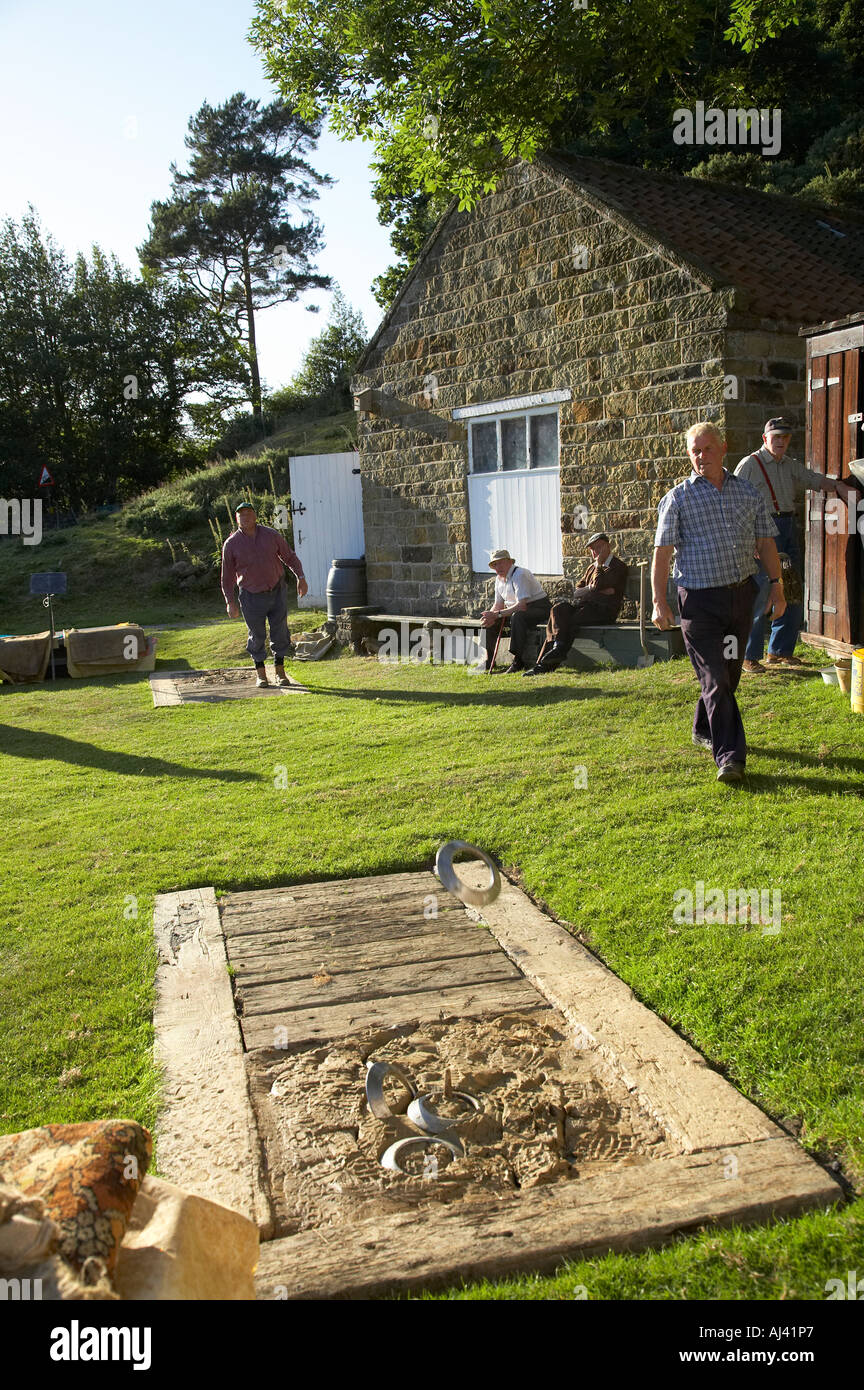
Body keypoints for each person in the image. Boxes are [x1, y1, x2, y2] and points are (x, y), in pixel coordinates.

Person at [652, 422, 786, 784]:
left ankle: (703, 725)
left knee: (728, 674)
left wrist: (777, 587)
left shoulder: (747, 493)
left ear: (723, 448)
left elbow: (767, 544)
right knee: (714, 679)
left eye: (707, 448)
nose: (701, 456)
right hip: (698, 604)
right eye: (695, 450)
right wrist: (658, 602)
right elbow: (662, 554)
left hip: (739, 599)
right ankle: (730, 758)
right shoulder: (677, 498)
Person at [734, 417, 859, 673]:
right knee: (761, 593)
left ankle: (779, 652)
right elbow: (735, 504)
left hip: (788, 527)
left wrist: (839, 486)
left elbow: (812, 479)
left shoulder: (789, 465)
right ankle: (749, 656)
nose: (781, 441)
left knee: (791, 588)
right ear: (765, 438)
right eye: (776, 437)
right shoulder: (749, 465)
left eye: (785, 437)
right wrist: (750, 540)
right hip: (762, 532)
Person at [220, 502, 308, 686]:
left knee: (280, 631)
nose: (246, 517)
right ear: (237, 519)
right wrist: (230, 602)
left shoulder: (271, 535)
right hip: (250, 595)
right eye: (241, 515)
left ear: (255, 516)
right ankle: (261, 674)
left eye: (249, 513)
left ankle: (280, 672)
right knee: (257, 633)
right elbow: (227, 576)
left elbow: (289, 556)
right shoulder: (231, 544)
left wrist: (300, 576)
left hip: (276, 590)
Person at [524, 533, 629, 675]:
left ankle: (544, 664)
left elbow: (598, 585)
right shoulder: (590, 568)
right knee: (558, 609)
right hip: (584, 607)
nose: (594, 552)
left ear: (607, 546)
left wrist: (597, 572)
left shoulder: (617, 566)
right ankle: (556, 649)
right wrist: (591, 589)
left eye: (598, 548)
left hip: (603, 610)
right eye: (592, 549)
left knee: (566, 622)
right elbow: (576, 592)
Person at [481, 549, 551, 672]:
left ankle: (518, 661)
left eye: (501, 563)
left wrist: (497, 614)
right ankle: (489, 660)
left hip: (538, 608)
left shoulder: (520, 574)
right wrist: (490, 616)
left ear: (509, 562)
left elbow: (521, 606)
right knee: (488, 622)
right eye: (495, 565)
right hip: (515, 610)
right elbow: (498, 604)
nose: (498, 567)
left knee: (518, 617)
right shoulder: (498, 579)